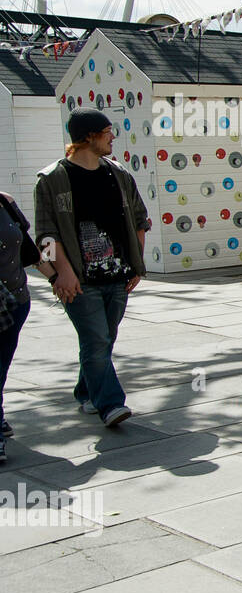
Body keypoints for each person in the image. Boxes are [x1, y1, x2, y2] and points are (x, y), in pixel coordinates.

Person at [34, 109, 150, 428]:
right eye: (108, 131)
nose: (113, 137)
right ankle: (110, 404)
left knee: (103, 339)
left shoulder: (120, 175)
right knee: (97, 339)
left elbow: (140, 221)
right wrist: (61, 273)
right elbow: (44, 235)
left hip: (119, 277)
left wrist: (136, 264)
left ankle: (86, 391)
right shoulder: (52, 179)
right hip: (80, 281)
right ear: (89, 136)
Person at [0, 191, 55, 464]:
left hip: (13, 302)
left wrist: (57, 277)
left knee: (1, 366)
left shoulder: (5, 202)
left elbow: (31, 252)